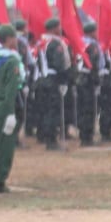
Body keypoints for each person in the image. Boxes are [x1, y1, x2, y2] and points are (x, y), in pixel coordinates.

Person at [0, 25, 24, 193]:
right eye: (14, 37)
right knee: (5, 146)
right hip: (5, 106)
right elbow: (11, 89)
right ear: (9, 39)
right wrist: (11, 113)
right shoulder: (12, 61)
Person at [36, 18, 71, 150]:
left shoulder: (42, 43)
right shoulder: (55, 44)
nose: (60, 29)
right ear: (54, 28)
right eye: (58, 26)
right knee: (53, 111)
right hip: (53, 80)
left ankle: (47, 137)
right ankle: (51, 141)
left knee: (46, 110)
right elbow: (59, 64)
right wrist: (64, 81)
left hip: (43, 79)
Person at [77, 22, 103, 147]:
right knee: (89, 109)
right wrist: (97, 80)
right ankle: (87, 137)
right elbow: (94, 64)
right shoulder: (92, 46)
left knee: (82, 108)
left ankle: (83, 135)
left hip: (79, 79)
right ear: (92, 32)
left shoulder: (79, 43)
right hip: (88, 79)